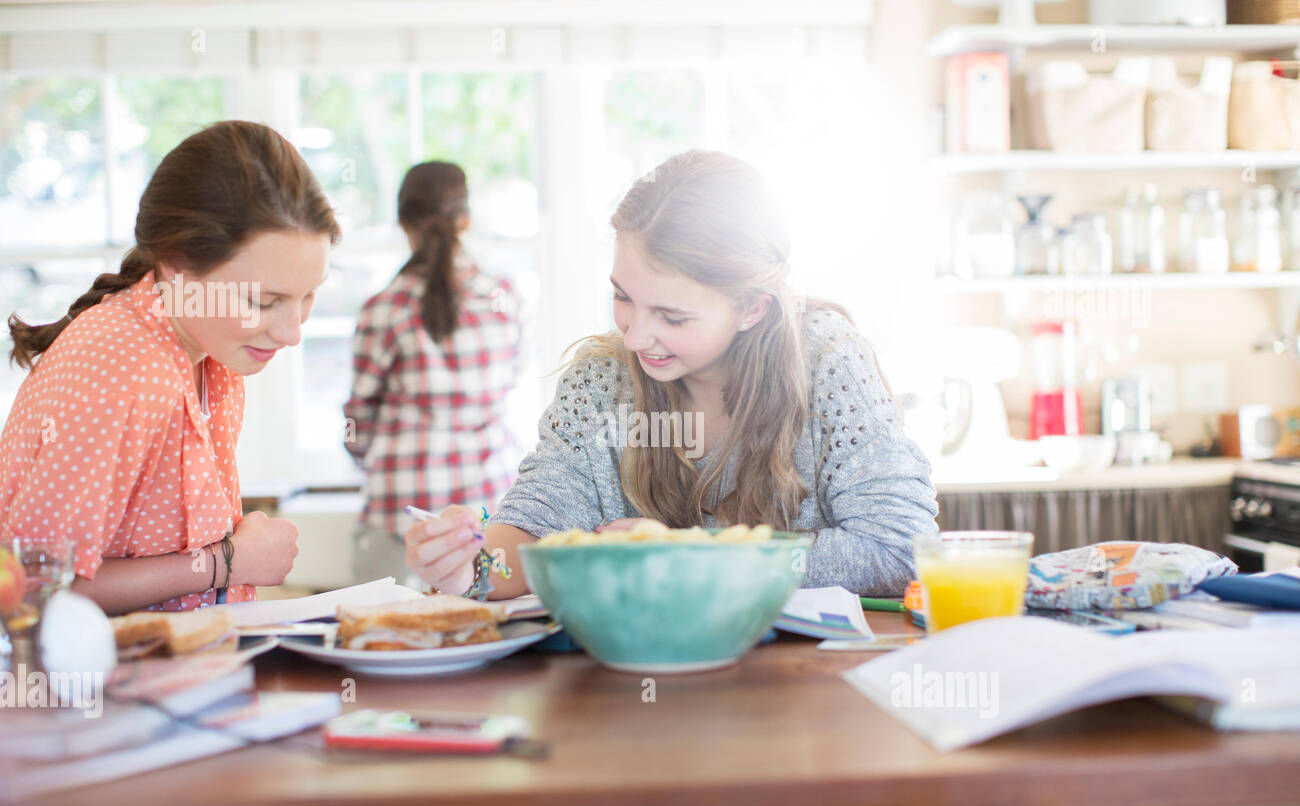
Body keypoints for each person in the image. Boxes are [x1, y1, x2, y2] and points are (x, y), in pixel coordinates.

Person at [405, 150, 938, 600]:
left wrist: (694, 559)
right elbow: (531, 533)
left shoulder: (828, 361)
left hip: (804, 698)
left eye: (672, 317)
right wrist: (470, 566)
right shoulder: (601, 383)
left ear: (751, 307)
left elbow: (899, 548)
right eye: (623, 298)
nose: (634, 337)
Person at [0, 121, 338, 614]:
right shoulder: (126, 371)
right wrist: (229, 561)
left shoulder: (211, 355)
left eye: (308, 294)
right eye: (264, 302)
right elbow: (33, 589)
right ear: (178, 267)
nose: (292, 332)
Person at [344, 161, 521, 585]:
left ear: (404, 222)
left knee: (391, 634)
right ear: (465, 219)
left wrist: (359, 451)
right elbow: (510, 380)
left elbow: (357, 416)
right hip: (489, 504)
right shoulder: (504, 298)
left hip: (399, 510)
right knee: (490, 634)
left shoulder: (384, 308)